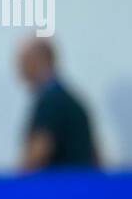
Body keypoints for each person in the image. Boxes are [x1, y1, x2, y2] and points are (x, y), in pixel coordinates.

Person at [16, 38, 98, 169]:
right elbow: (95, 155)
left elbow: (37, 154)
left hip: (58, 186)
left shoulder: (50, 102)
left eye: (23, 62)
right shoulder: (74, 101)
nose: (20, 71)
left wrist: (15, 186)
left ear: (38, 61)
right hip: (82, 184)